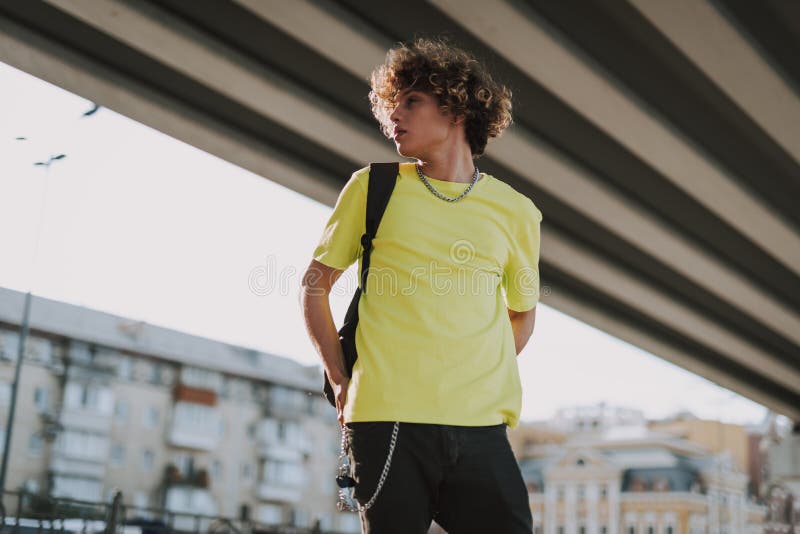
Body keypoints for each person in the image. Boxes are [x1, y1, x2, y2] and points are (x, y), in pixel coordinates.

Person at [301, 37, 542, 533]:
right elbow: (313, 287)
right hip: (385, 420)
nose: (395, 118)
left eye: (411, 102)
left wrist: (473, 365)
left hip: (481, 427)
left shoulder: (516, 211)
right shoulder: (373, 187)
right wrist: (342, 381)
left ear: (456, 106)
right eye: (390, 107)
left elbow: (523, 312)